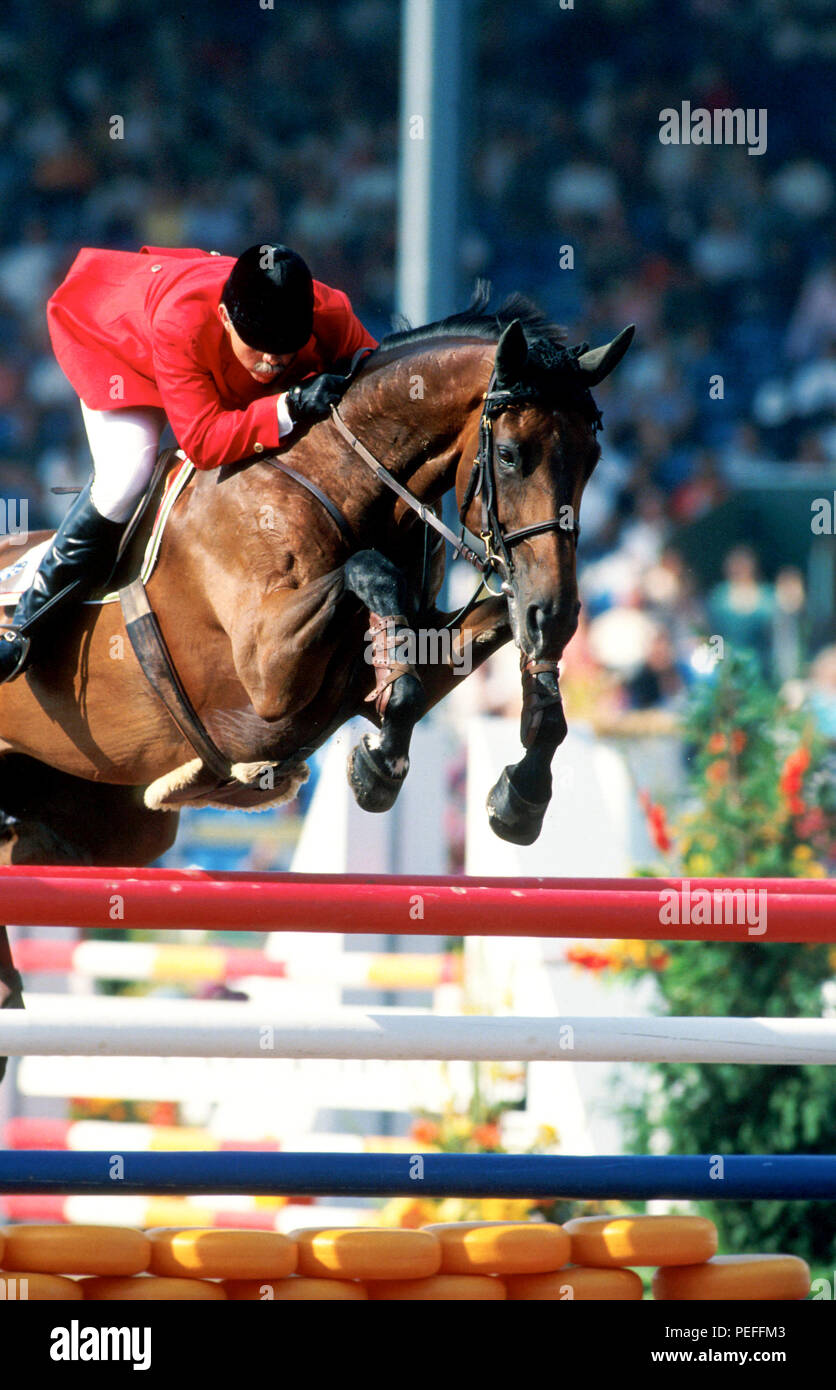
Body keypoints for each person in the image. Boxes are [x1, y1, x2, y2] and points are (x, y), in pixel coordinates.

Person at [0, 242, 377, 682]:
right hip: (123, 343)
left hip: (199, 348)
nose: (273, 360)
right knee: (127, 476)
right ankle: (25, 624)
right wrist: (286, 406)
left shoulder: (330, 314)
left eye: (286, 347)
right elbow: (202, 440)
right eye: (259, 345)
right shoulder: (183, 322)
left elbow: (376, 378)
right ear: (224, 318)